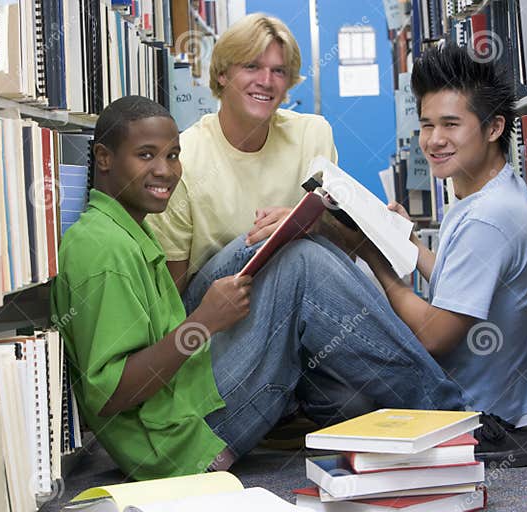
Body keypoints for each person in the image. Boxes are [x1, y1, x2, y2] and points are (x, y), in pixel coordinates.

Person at [50, 95, 466, 480]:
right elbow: (112, 396)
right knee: (302, 264)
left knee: (276, 239)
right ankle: (449, 415)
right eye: (146, 156)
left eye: (173, 155)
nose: (165, 170)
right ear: (103, 158)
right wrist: (203, 323)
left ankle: (354, 403)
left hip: (179, 398)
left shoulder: (122, 231)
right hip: (177, 442)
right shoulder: (103, 253)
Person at [327, 43, 527, 466]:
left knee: (309, 277)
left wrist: (373, 256)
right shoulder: (484, 191)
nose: (433, 140)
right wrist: (406, 244)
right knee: (328, 381)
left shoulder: (488, 216)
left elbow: (434, 335)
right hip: (480, 393)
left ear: (493, 128)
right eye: (427, 124)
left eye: (451, 124)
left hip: (469, 409)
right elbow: (463, 287)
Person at [146, 12, 374, 428]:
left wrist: (313, 223)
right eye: (251, 66)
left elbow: (343, 254)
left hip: (298, 313)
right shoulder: (186, 157)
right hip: (222, 317)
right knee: (266, 244)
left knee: (357, 404)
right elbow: (173, 299)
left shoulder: (313, 135)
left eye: (279, 71)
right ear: (222, 76)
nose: (266, 81)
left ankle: (280, 390)